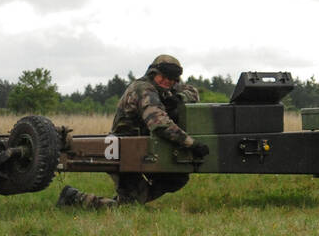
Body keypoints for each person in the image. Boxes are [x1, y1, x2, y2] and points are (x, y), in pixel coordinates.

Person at [57, 54, 209, 209]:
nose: (167, 81)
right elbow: (160, 124)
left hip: (145, 151)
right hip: (126, 151)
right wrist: (191, 143)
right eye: (163, 77)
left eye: (171, 79)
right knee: (129, 207)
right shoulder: (143, 89)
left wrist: (178, 98)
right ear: (153, 73)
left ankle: (134, 196)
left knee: (176, 178)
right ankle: (75, 198)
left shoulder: (165, 86)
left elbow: (193, 92)